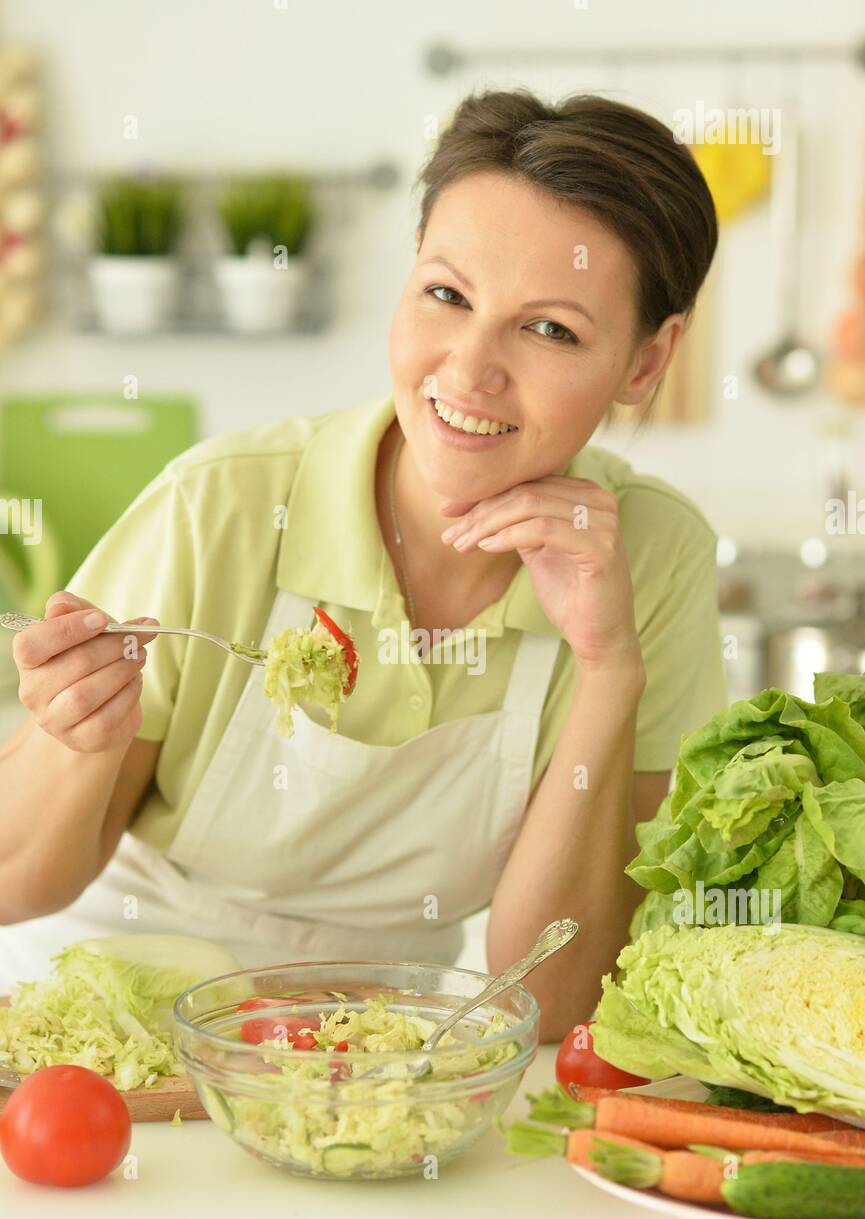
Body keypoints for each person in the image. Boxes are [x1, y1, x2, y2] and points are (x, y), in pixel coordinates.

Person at [0, 90, 727, 1041]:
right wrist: (76, 740)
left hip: (386, 1049)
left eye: (549, 329)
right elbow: (14, 883)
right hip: (108, 1019)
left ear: (645, 362)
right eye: (446, 295)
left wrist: (607, 669)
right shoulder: (220, 506)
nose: (468, 371)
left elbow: (552, 1001)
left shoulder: (653, 556)